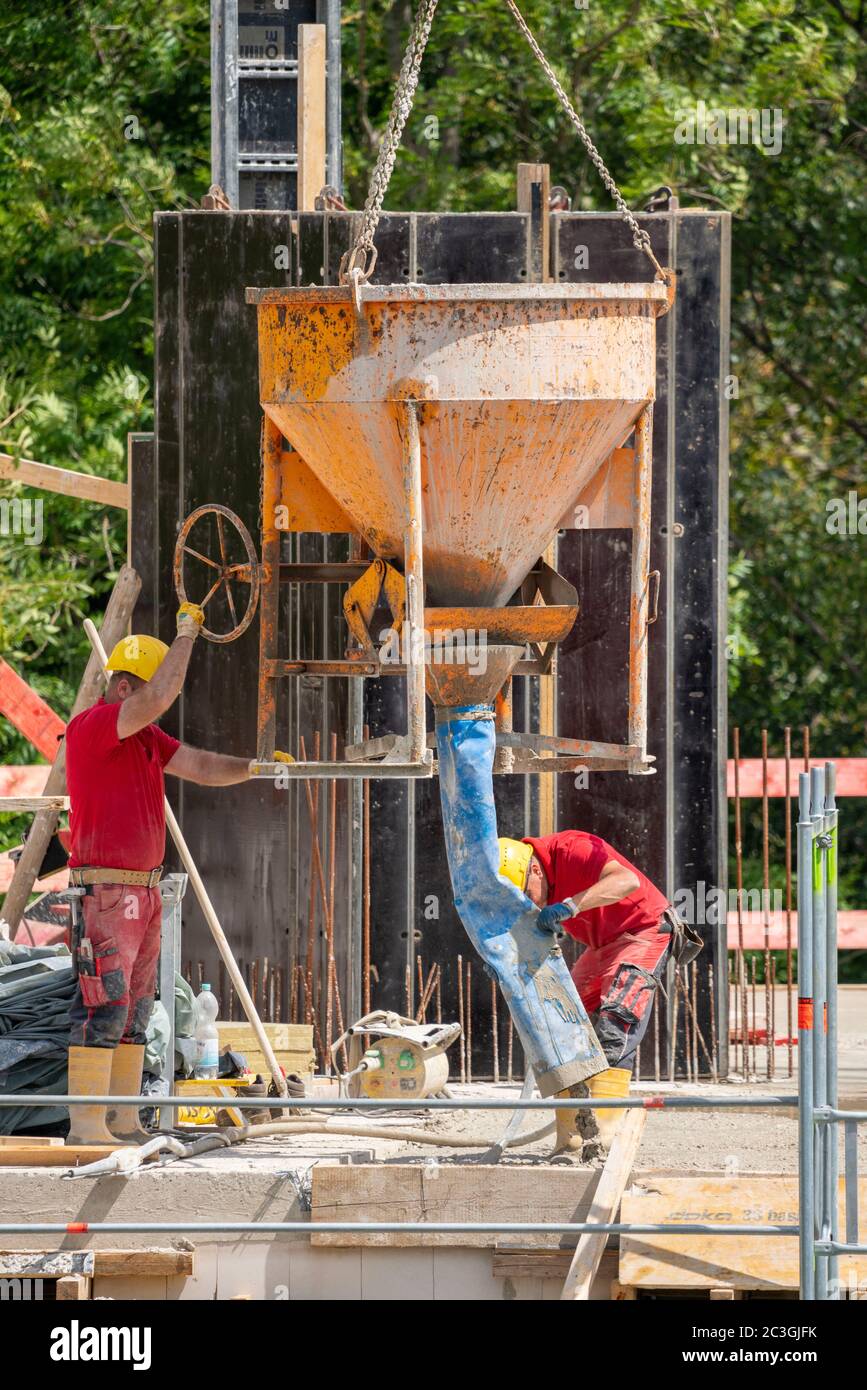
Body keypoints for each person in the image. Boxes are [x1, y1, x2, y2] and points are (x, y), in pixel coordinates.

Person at [63, 602, 293, 1145]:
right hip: (106, 891)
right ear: (125, 688)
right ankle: (86, 1126)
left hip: (141, 893)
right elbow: (162, 694)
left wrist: (254, 768)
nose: (156, 710)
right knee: (106, 1002)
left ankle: (119, 1120)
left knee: (137, 1010)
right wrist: (187, 632)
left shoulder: (143, 740)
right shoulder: (94, 727)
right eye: (144, 694)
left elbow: (200, 765)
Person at [498, 832, 700, 1141]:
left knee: (617, 1018)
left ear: (535, 870)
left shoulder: (573, 849)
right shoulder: (536, 883)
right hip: (603, 945)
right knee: (562, 1021)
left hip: (643, 929)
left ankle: (603, 1139)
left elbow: (626, 881)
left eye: (527, 893)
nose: (529, 904)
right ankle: (571, 1139)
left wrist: (569, 906)